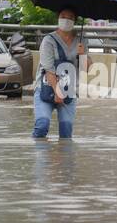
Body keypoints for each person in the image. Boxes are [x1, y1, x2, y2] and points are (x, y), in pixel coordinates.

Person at [33, 8, 85, 140]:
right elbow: (48, 69)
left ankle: (64, 159)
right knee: (42, 125)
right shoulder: (48, 41)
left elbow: (86, 68)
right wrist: (57, 92)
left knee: (66, 130)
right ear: (58, 18)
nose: (66, 20)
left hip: (68, 90)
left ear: (75, 20)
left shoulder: (81, 41)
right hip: (45, 87)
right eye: (63, 16)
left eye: (70, 17)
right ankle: (40, 157)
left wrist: (83, 54)